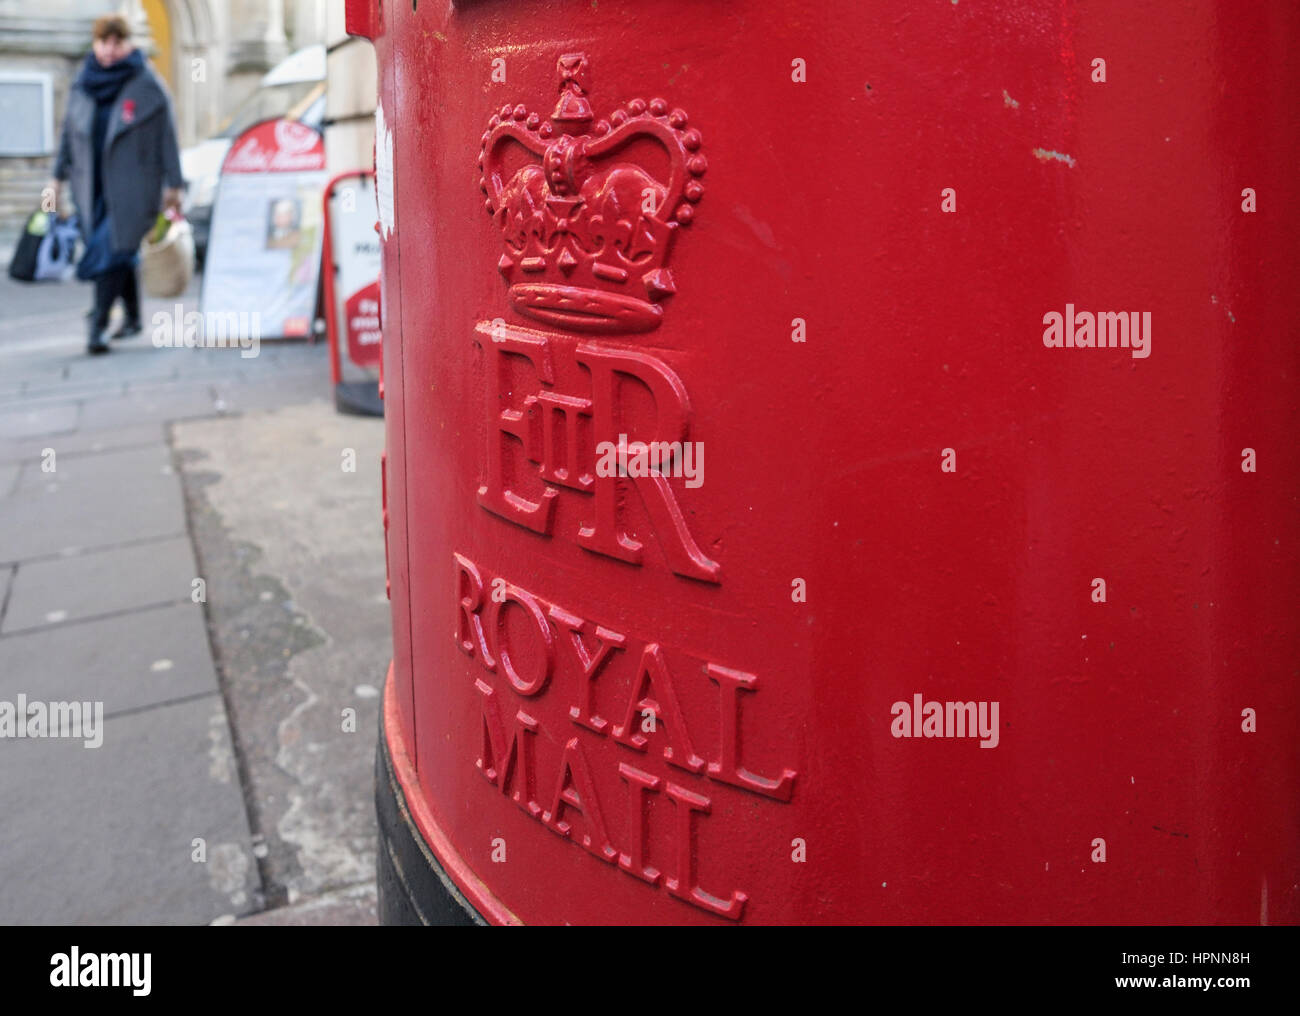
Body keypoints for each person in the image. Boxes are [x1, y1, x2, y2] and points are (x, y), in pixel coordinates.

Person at [47, 14, 184, 354]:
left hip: (135, 186)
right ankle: (134, 316)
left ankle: (97, 324)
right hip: (88, 185)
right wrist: (55, 180)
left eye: (116, 42)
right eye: (103, 42)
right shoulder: (83, 82)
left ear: (127, 44)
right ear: (95, 44)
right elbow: (68, 134)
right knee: (118, 250)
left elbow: (168, 136)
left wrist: (174, 185)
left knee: (107, 251)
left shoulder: (147, 83)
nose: (109, 50)